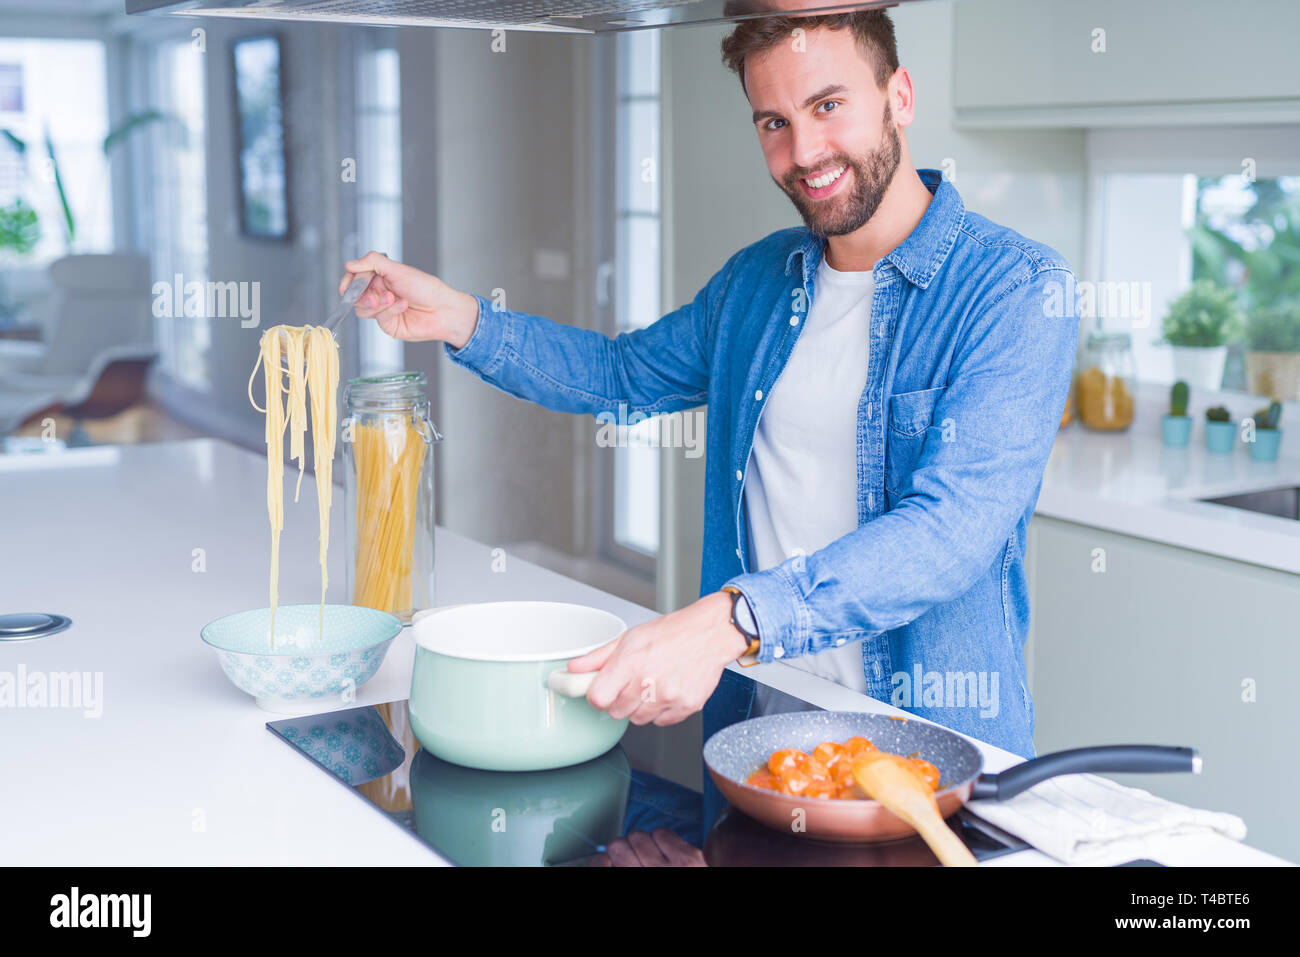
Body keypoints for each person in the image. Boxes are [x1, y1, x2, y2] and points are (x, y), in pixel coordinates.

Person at [339, 9, 1076, 803]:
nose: (804, 153)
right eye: (774, 122)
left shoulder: (1015, 289)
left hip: (937, 761)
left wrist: (732, 620)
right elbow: (620, 375)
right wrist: (461, 318)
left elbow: (949, 533)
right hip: (764, 745)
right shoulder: (759, 281)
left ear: (899, 95)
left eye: (829, 106)